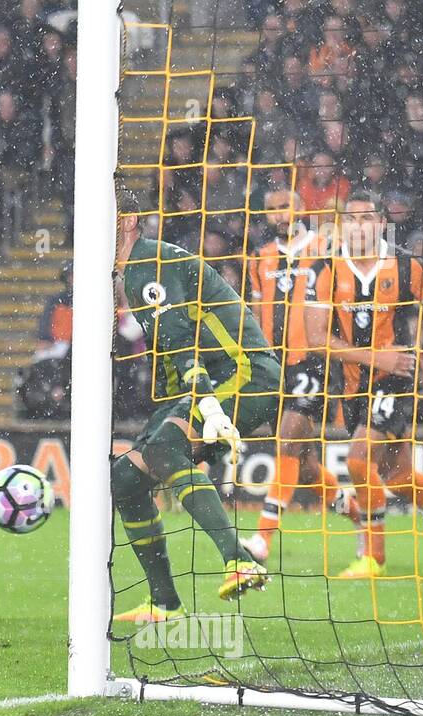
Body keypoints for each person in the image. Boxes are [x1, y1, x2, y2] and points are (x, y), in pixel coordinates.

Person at [109, 190, 283, 623]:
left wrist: (206, 400)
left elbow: (180, 338)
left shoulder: (149, 265)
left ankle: (240, 559)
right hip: (210, 382)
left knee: (166, 448)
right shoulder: (136, 269)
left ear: (128, 221)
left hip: (245, 374)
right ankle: (164, 602)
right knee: (126, 479)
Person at [304, 193, 423, 579]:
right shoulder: (324, 268)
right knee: (398, 476)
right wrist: (375, 357)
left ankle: (374, 557)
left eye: (368, 218)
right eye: (351, 218)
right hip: (356, 383)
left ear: (381, 223)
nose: (359, 225)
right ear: (342, 225)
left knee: (358, 458)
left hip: (398, 376)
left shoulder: (407, 265)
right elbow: (316, 338)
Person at [240, 189, 364, 561]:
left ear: (301, 209)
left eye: (285, 206)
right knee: (306, 467)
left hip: (314, 361)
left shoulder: (327, 249)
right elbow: (257, 313)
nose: (279, 214)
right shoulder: (259, 259)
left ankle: (262, 538)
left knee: (287, 437)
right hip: (274, 366)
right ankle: (360, 518)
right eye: (272, 208)